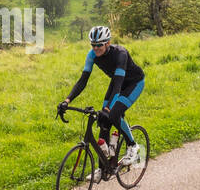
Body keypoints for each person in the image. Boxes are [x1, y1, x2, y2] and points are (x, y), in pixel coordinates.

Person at [58, 25, 144, 165]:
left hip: (134, 83)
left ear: (108, 43)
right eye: (93, 45)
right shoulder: (92, 55)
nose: (96, 48)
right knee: (103, 121)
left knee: (113, 114)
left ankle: (133, 146)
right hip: (117, 81)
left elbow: (117, 85)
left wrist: (108, 109)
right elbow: (83, 81)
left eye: (99, 45)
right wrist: (67, 101)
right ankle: (102, 167)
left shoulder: (120, 53)